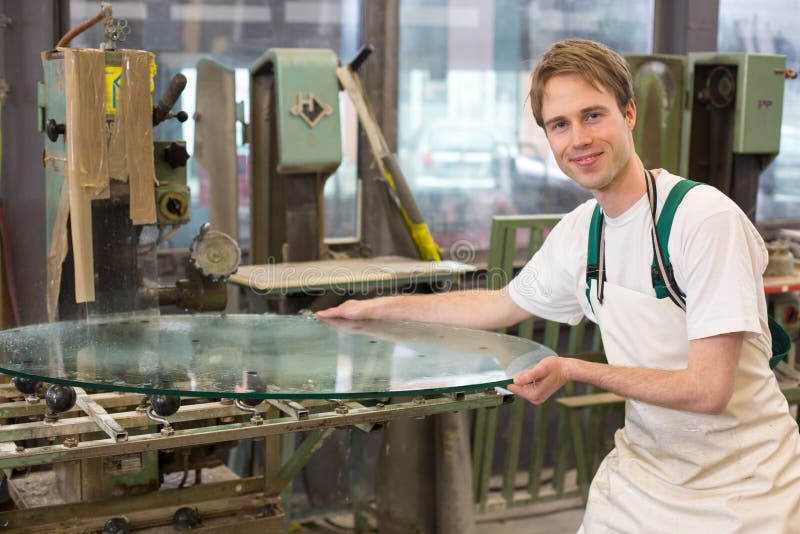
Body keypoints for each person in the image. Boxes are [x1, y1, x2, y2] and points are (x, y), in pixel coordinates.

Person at [318, 39, 800, 531]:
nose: (579, 140)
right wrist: (376, 309)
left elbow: (708, 390)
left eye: (593, 116)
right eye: (560, 125)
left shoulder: (702, 219)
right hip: (647, 478)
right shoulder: (581, 233)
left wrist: (574, 369)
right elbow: (497, 306)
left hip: (745, 489)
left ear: (629, 113)